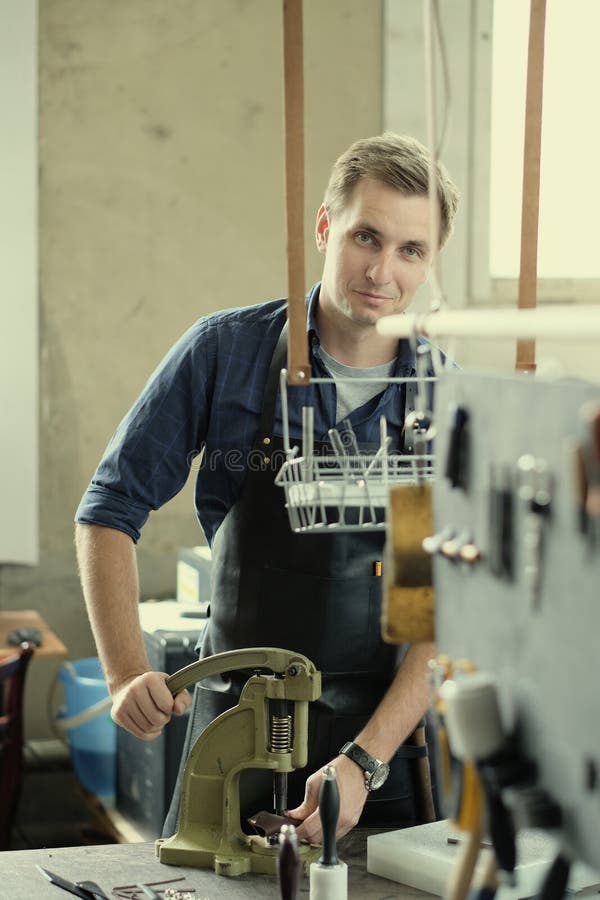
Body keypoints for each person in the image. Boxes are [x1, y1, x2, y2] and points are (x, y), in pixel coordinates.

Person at [75, 132, 459, 844]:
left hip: (382, 757)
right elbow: (110, 507)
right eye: (365, 236)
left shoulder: (443, 395)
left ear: (432, 262)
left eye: (412, 250)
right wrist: (125, 670)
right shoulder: (226, 352)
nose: (382, 270)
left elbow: (437, 611)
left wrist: (363, 764)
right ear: (324, 227)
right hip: (235, 733)